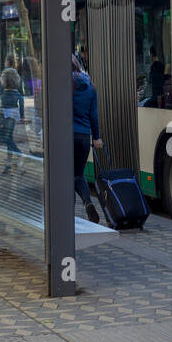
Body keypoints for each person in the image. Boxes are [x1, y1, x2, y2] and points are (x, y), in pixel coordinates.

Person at [72, 54, 102, 222]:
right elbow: (94, 115)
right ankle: (88, 202)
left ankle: (69, 211)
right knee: (78, 174)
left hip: (66, 136)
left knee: (66, 175)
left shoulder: (64, 82)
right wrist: (96, 138)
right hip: (84, 136)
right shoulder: (90, 85)